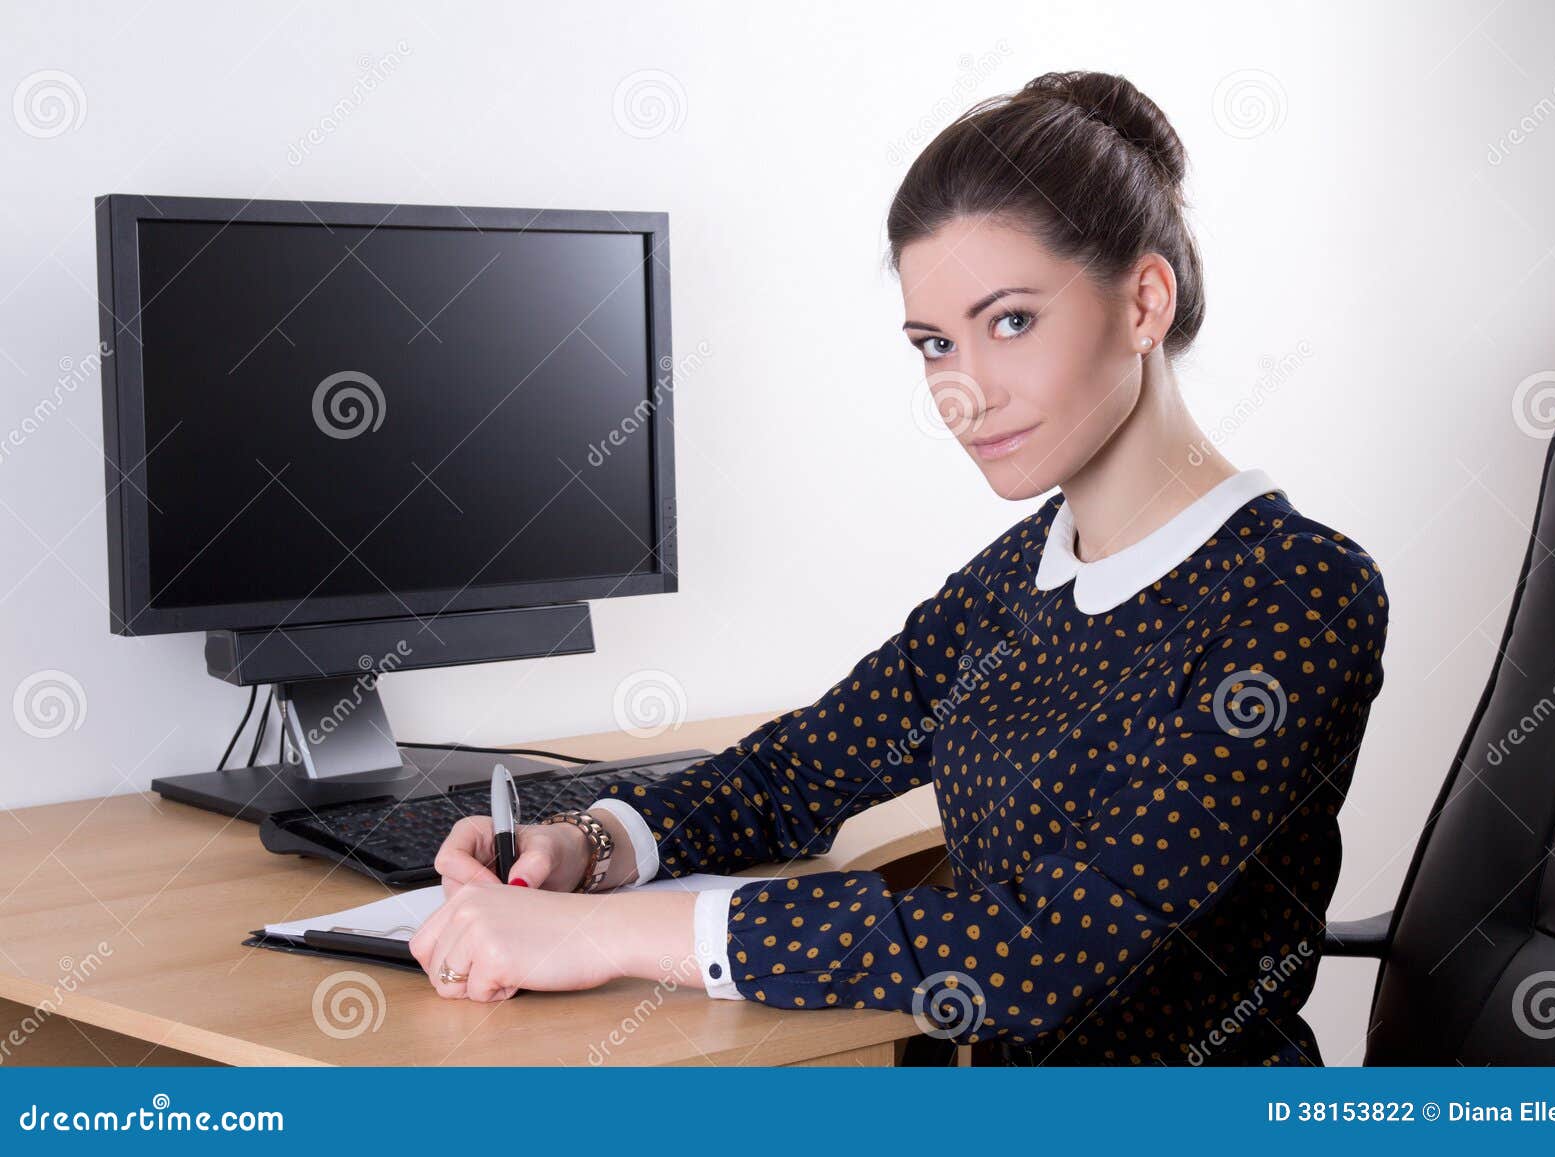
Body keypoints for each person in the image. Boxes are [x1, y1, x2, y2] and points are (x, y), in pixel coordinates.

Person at [409, 69, 1390, 1067]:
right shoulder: (1021, 576)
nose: (961, 395)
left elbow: (1047, 948)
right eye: (933, 343)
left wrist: (602, 938)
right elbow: (802, 768)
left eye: (1010, 321)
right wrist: (590, 844)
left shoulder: (1294, 592)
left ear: (1143, 301)